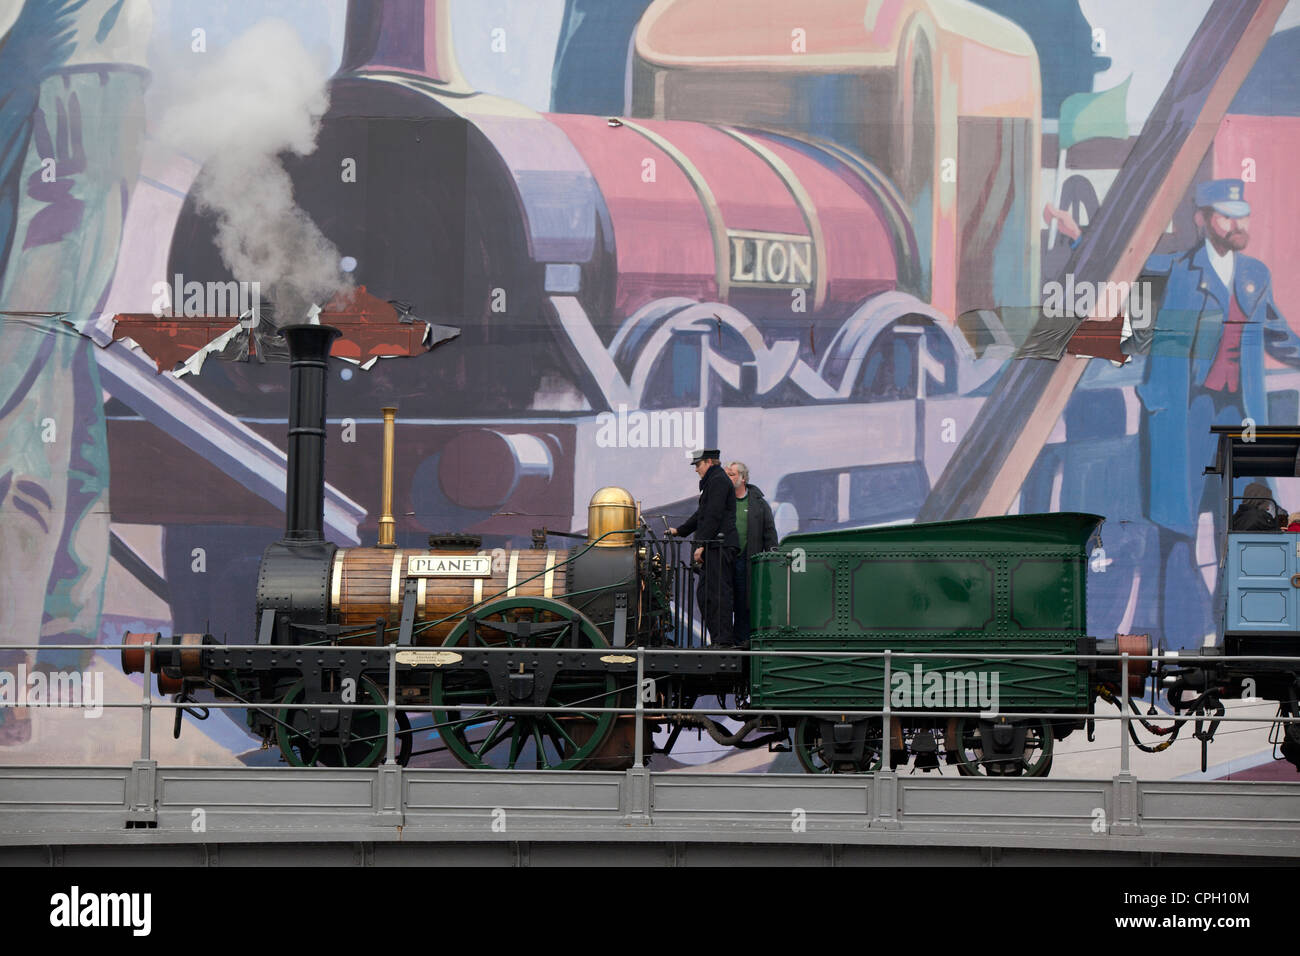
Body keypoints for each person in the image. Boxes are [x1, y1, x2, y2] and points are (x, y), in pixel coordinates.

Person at [1046, 178, 1300, 643]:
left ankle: (1239, 633)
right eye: (1226, 216)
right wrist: (1079, 236)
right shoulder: (1175, 271)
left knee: (1250, 521)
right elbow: (1118, 272)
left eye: (1242, 215)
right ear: (1203, 220)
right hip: (1186, 418)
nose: (1237, 224)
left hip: (1241, 417)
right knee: (1178, 529)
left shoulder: (1254, 275)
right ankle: (1184, 642)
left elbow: (1279, 336)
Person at [668, 449, 739, 647]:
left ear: (709, 462)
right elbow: (702, 514)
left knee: (718, 594)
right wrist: (680, 531)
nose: (696, 469)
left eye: (698, 465)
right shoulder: (713, 482)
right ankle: (717, 639)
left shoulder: (718, 481)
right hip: (714, 546)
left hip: (719, 546)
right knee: (706, 595)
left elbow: (713, 515)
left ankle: (723, 640)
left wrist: (701, 545)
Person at [725, 461, 777, 645]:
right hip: (725, 560)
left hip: (747, 561)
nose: (728, 478)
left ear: (743, 478)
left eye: (732, 474)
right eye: (726, 474)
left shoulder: (759, 504)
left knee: (745, 603)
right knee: (722, 603)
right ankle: (724, 642)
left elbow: (769, 534)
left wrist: (772, 561)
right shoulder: (722, 500)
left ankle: (743, 643)